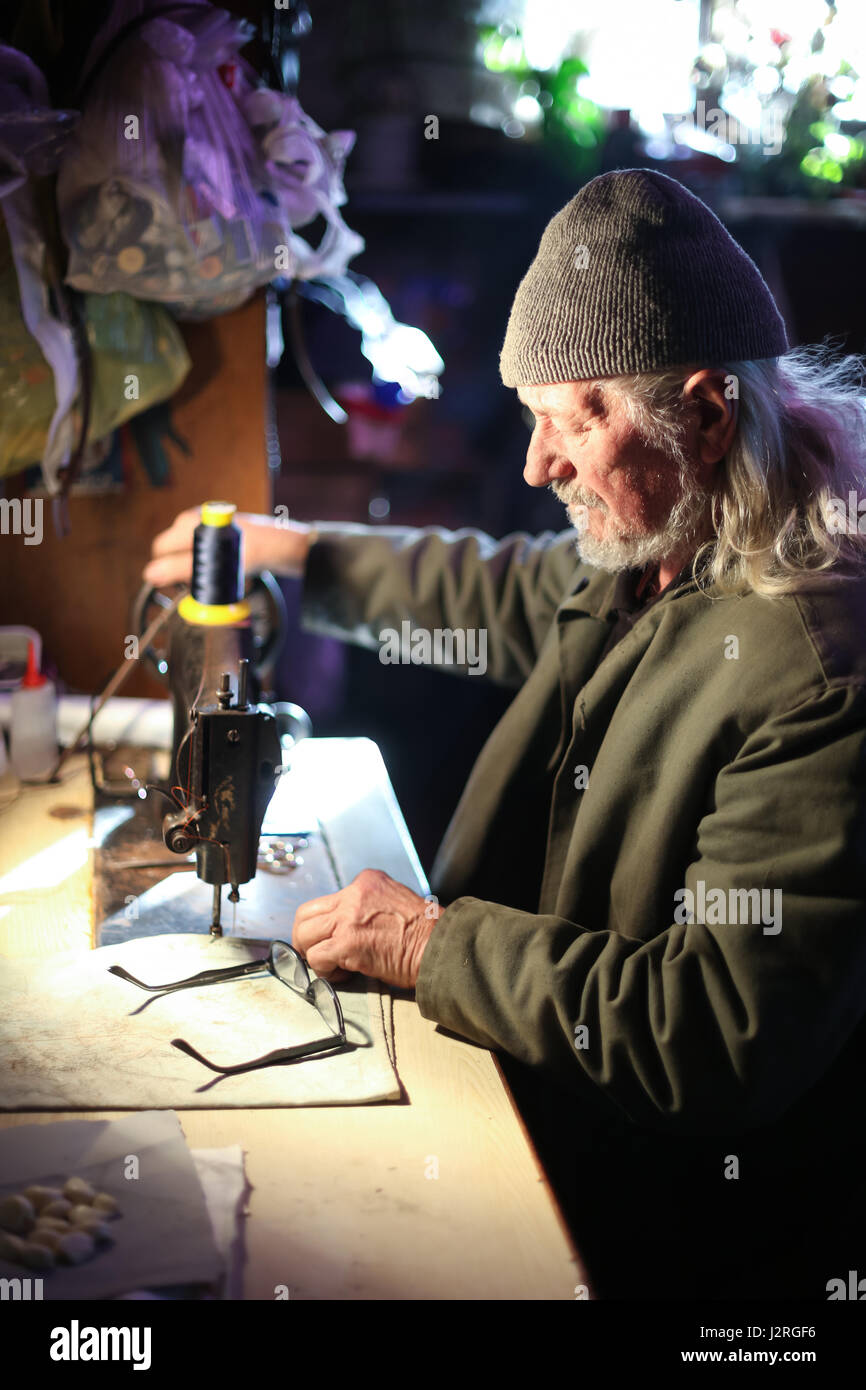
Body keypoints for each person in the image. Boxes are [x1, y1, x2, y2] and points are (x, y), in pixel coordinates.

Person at [145, 169, 866, 1300]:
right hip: (560, 1106)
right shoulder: (673, 537)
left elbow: (720, 1031)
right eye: (528, 420)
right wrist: (296, 553)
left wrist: (432, 948)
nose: (535, 466)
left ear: (707, 412)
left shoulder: (815, 671)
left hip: (668, 1226)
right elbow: (499, 596)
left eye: (567, 421)